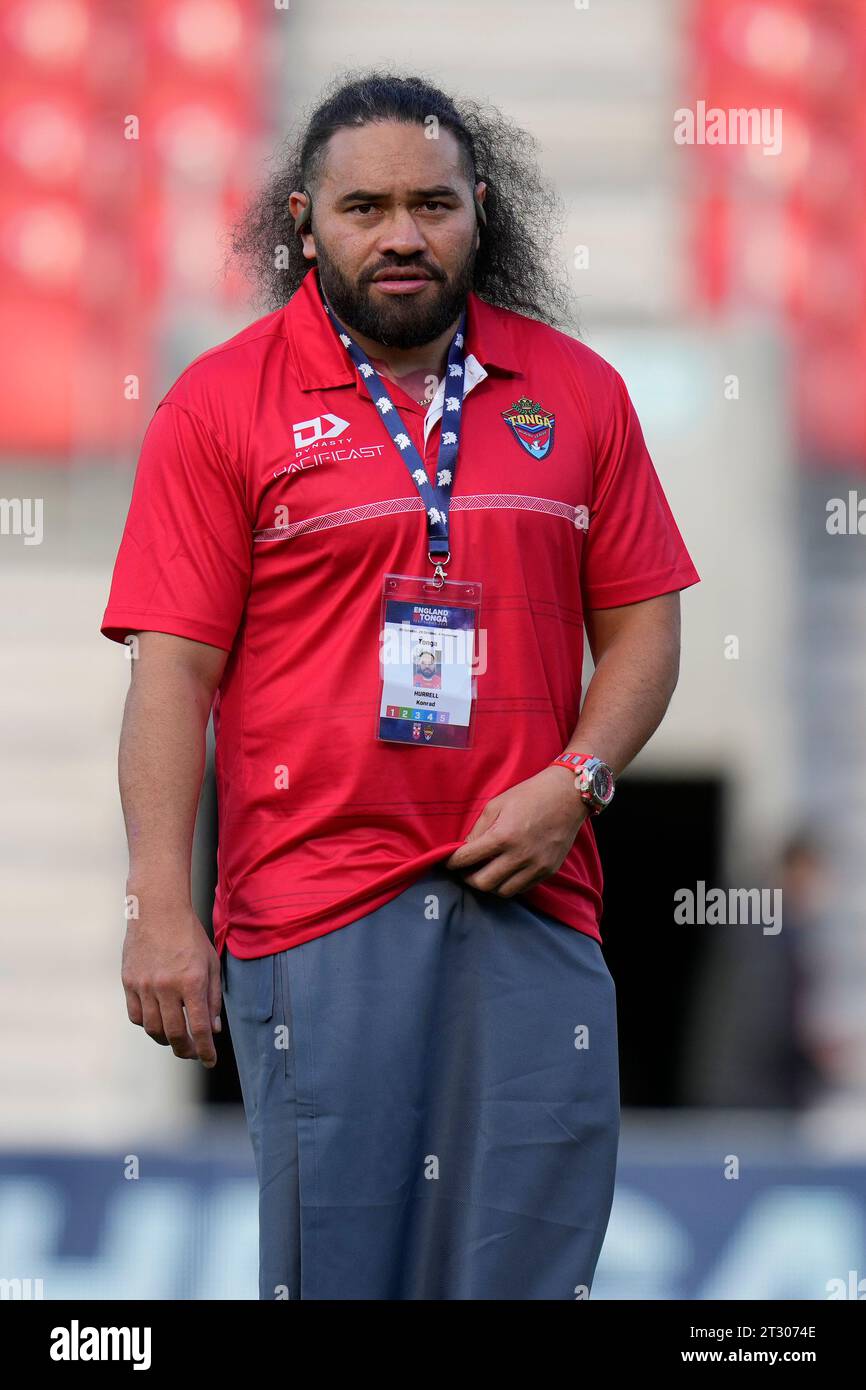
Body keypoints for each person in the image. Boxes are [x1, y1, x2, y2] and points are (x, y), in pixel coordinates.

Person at [102, 72, 700, 1300]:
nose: (400, 235)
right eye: (363, 206)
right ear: (302, 223)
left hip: (533, 899)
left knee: (528, 1276)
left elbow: (642, 628)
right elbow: (175, 676)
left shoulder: (576, 391)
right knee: (346, 1279)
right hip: (317, 907)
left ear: (480, 211)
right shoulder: (219, 406)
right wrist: (161, 908)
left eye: (431, 204)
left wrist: (575, 783)